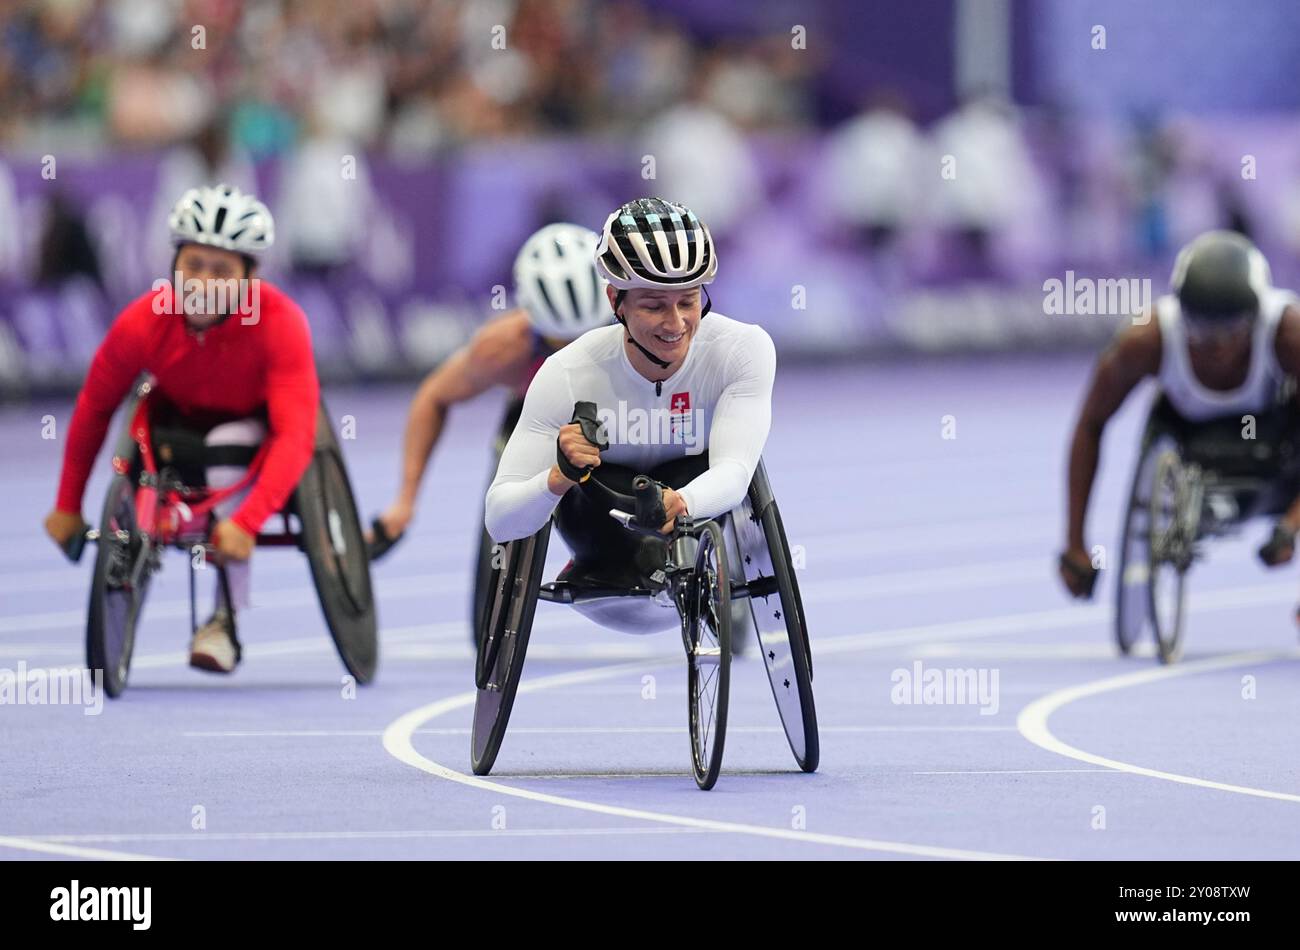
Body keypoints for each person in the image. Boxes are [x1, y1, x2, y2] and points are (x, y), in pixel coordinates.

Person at [43, 183, 319, 673]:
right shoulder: (143, 321)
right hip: (171, 424)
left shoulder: (282, 323)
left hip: (247, 433)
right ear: (174, 266)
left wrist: (247, 522)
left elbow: (297, 434)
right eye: (194, 265)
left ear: (250, 277)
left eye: (222, 270)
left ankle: (222, 621)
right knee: (142, 430)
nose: (204, 282)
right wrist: (68, 505)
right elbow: (93, 409)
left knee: (225, 446)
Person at [484, 197, 776, 632]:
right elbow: (500, 519)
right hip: (599, 533)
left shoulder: (743, 350)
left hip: (691, 516)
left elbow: (735, 472)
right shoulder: (566, 374)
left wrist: (682, 503)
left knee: (709, 467)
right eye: (654, 306)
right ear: (615, 300)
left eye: (688, 302)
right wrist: (556, 477)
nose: (675, 324)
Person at [1060, 230, 1300, 600]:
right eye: (1202, 327)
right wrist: (1075, 543)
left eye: (1231, 328)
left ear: (1254, 317)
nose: (1217, 344)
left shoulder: (1287, 335)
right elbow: (1090, 424)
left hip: (1272, 442)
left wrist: (1291, 524)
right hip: (1190, 437)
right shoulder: (1146, 342)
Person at [368, 222, 611, 557]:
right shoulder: (501, 348)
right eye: (561, 343)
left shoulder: (642, 326)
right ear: (534, 322)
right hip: (537, 417)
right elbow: (434, 396)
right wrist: (404, 503)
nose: (574, 354)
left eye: (590, 338)